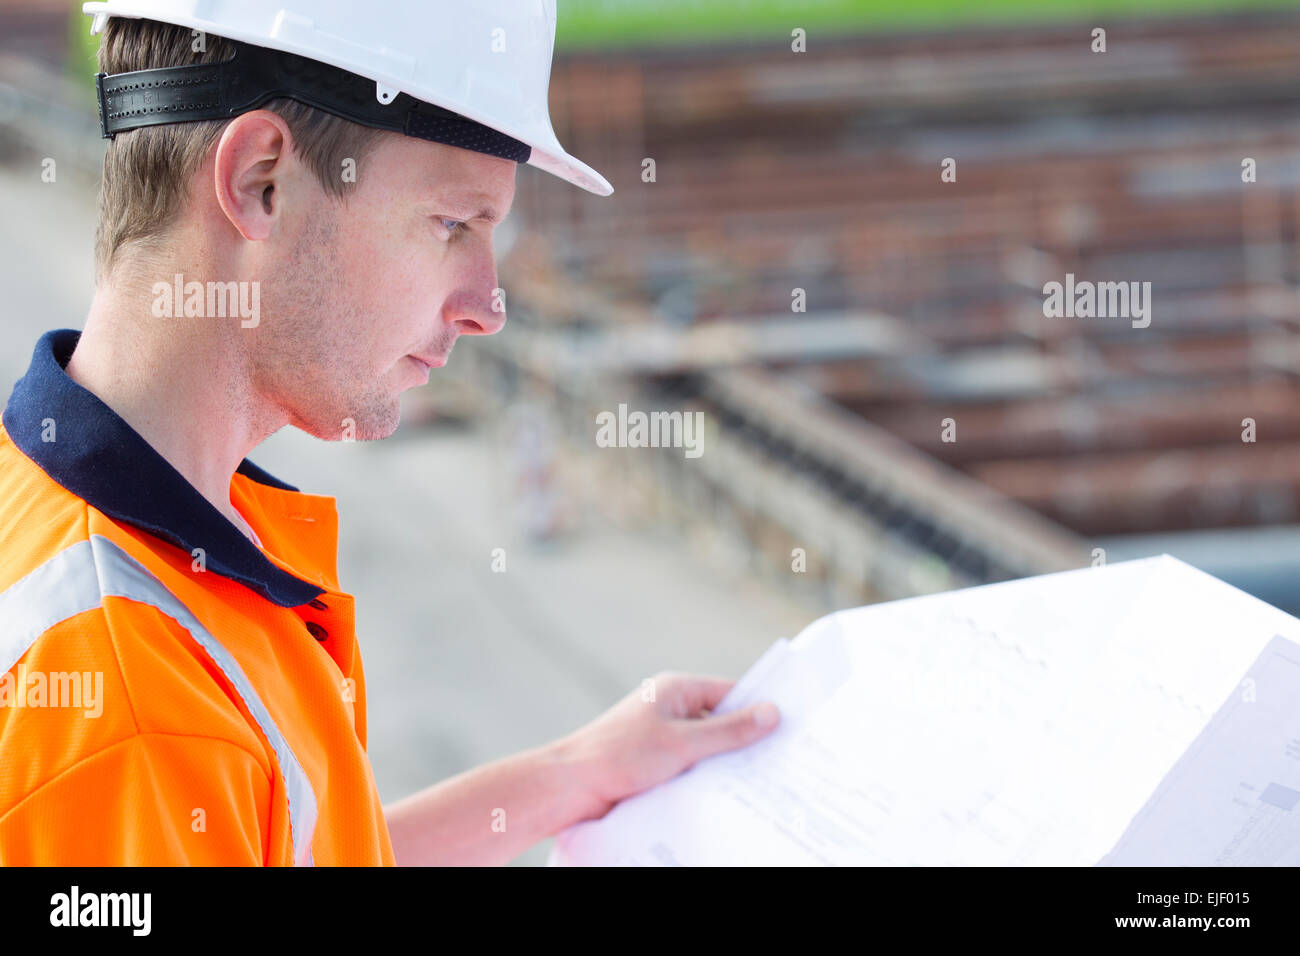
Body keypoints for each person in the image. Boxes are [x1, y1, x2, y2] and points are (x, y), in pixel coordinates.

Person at [0, 1, 779, 865]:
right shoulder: (132, 712)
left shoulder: (88, 518)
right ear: (263, 180)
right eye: (453, 225)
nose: (488, 308)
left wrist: (577, 771)